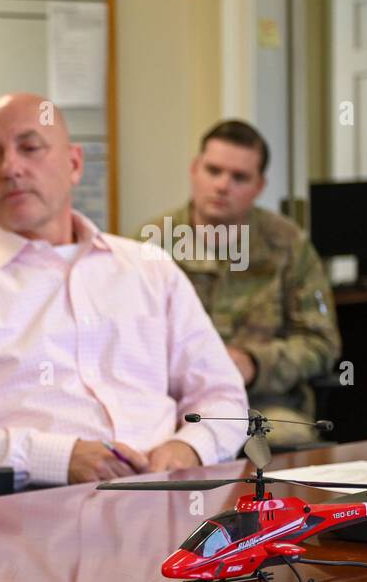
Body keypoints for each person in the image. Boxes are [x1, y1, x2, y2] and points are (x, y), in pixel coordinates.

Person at [0, 93, 249, 487]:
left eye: (30, 148)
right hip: (38, 514)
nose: (10, 168)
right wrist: (58, 458)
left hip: (173, 501)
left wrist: (189, 448)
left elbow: (224, 396)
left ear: (74, 164)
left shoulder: (149, 268)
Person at [140, 120, 341, 446]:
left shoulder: (288, 245)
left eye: (239, 177)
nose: (222, 185)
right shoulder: (151, 244)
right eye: (213, 170)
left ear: (260, 185)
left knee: (280, 444)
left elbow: (321, 344)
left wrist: (254, 363)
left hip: (263, 404)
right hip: (174, 405)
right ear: (194, 169)